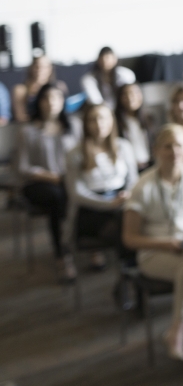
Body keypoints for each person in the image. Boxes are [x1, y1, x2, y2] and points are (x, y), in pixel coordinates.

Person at [122, 125, 183, 370]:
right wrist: (166, 243)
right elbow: (130, 238)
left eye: (179, 145)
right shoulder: (143, 186)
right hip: (156, 253)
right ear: (156, 151)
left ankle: (178, 331)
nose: (174, 151)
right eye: (167, 146)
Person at [65, 104, 137, 272]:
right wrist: (109, 203)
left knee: (130, 218)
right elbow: (76, 193)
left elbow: (133, 180)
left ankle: (128, 273)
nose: (98, 124)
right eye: (92, 119)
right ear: (85, 124)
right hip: (92, 209)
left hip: (121, 202)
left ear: (112, 121)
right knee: (125, 224)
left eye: (103, 118)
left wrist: (127, 195)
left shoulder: (124, 147)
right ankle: (129, 271)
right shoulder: (75, 153)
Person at [16, 84, 78, 280]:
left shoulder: (74, 126)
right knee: (57, 197)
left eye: (57, 98)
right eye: (46, 98)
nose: (51, 103)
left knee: (72, 193)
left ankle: (83, 242)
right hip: (38, 182)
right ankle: (62, 254)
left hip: (69, 180)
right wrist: (52, 176)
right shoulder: (27, 131)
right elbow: (22, 167)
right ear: (39, 102)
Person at [12, 54, 66, 123]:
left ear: (50, 69)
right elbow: (20, 116)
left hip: (56, 126)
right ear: (31, 68)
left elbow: (64, 112)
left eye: (44, 67)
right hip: (32, 127)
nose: (40, 70)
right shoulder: (20, 90)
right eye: (37, 66)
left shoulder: (59, 86)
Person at [115, 82, 153, 171]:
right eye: (125, 94)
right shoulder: (116, 122)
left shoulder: (149, 119)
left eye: (135, 93)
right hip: (128, 168)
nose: (130, 97)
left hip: (150, 165)